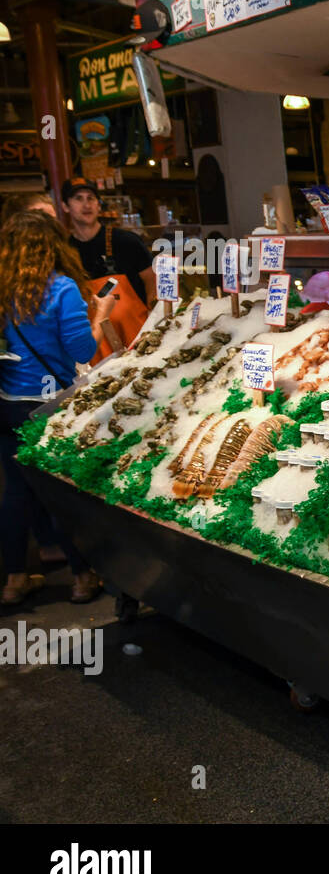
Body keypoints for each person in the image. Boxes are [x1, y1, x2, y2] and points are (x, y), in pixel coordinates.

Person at [0, 210, 116, 605]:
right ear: (53, 245)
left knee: (16, 492)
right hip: (49, 404)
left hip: (8, 403)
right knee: (61, 492)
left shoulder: (2, 290)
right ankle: (83, 577)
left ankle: (14, 579)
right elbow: (83, 350)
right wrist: (99, 316)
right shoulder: (62, 288)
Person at [61, 177, 154, 359]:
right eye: (78, 199)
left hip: (138, 342)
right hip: (95, 347)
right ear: (65, 206)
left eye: (91, 198)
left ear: (98, 205)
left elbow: (152, 279)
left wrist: (154, 317)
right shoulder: (64, 251)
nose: (86, 204)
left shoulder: (126, 241)